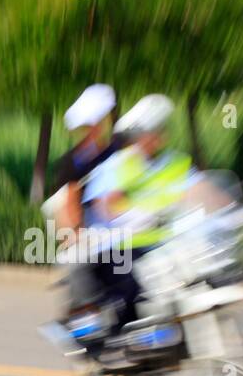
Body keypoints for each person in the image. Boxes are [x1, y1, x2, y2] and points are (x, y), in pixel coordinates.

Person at [83, 94, 196, 330]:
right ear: (137, 135)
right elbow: (106, 206)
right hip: (120, 245)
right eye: (150, 131)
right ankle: (125, 332)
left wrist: (230, 210)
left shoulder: (177, 162)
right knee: (133, 285)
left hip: (166, 244)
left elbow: (200, 190)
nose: (156, 136)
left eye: (159, 130)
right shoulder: (118, 165)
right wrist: (138, 215)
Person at [49, 84, 117, 316]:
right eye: (87, 127)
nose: (93, 130)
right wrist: (75, 233)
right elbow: (68, 200)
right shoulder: (73, 162)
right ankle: (86, 310)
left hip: (122, 220)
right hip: (90, 225)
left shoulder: (117, 153)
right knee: (76, 260)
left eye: (97, 124)